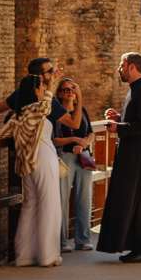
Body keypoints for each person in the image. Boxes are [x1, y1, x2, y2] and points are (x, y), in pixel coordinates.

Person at [96, 52, 141, 263]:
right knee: (130, 201)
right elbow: (137, 120)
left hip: (140, 158)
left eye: (122, 65)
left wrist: (119, 128)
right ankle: (136, 246)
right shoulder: (136, 90)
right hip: (133, 155)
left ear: (132, 67)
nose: (119, 69)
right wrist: (119, 119)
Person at [7, 81, 63, 267]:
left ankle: (24, 255)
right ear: (34, 91)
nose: (43, 91)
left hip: (26, 163)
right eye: (40, 87)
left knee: (29, 206)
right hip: (44, 158)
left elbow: (3, 133)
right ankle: (47, 254)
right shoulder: (36, 109)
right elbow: (48, 105)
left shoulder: (17, 115)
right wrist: (52, 84)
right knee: (49, 204)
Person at [53, 78, 96, 250]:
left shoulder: (82, 110)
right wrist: (73, 140)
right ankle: (62, 242)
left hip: (83, 157)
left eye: (72, 89)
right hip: (64, 157)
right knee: (62, 200)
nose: (69, 92)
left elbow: (91, 133)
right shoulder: (56, 113)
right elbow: (53, 140)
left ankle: (83, 239)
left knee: (84, 199)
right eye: (65, 90)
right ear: (59, 93)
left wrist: (84, 142)